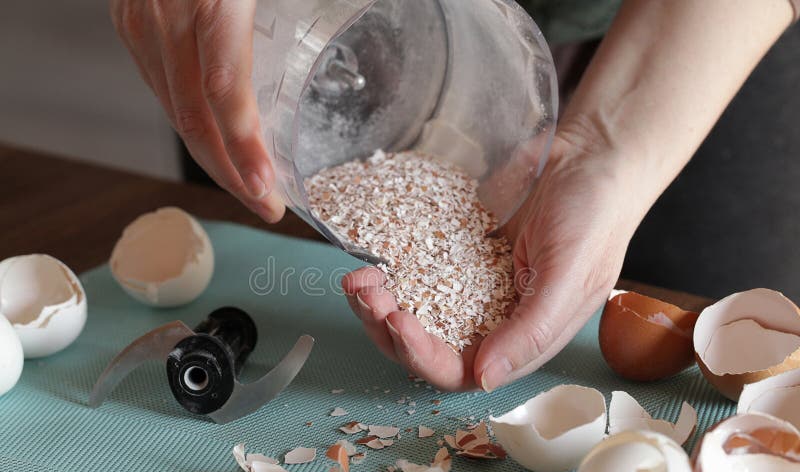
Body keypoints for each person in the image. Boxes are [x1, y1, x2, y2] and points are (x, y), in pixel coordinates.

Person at [110, 0, 798, 392]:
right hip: (317, 24)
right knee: (248, 153)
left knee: (707, 320)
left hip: (700, 26)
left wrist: (601, 153)